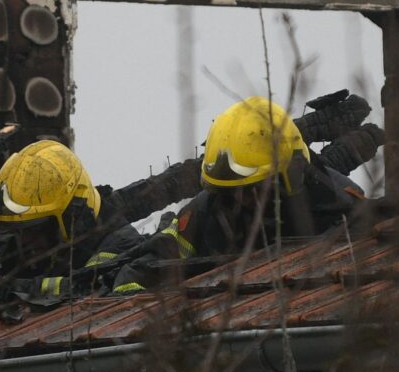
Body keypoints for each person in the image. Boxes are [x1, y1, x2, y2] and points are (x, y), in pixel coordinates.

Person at [112, 96, 368, 292]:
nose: (239, 201)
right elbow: (150, 263)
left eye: (251, 190)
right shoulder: (204, 210)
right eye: (229, 193)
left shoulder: (342, 207)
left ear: (287, 176)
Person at [0, 139, 138, 306]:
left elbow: (91, 295)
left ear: (70, 217)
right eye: (16, 230)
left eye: (34, 229)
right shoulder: (11, 252)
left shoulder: (123, 250)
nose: (24, 241)